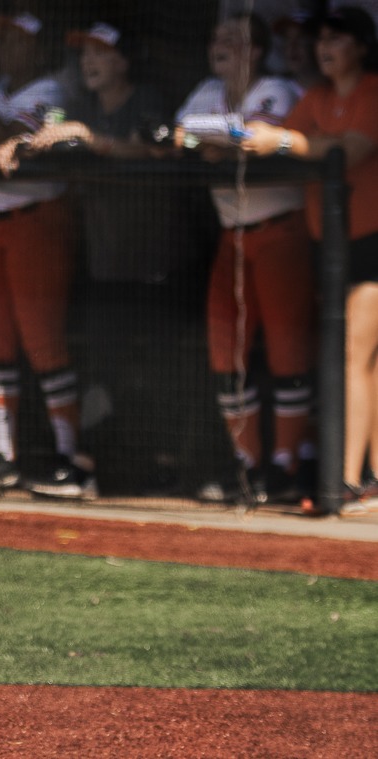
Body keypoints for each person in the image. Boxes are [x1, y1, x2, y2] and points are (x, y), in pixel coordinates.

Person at [0, 21, 204, 496]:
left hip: (160, 264)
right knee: (101, 368)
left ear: (124, 61)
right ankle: (86, 468)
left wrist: (92, 139)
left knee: (156, 372)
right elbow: (53, 132)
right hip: (106, 263)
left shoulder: (146, 100)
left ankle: (167, 469)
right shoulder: (80, 107)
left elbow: (157, 147)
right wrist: (21, 144)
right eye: (85, 52)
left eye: (101, 52)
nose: (89, 60)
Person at [241, 6, 378, 514]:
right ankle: (369, 480)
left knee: (351, 357)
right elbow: (281, 142)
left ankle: (344, 481)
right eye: (321, 39)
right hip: (332, 246)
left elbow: (354, 149)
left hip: (371, 244)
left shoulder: (372, 91)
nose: (325, 47)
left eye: (336, 39)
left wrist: (284, 140)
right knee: (361, 362)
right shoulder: (316, 97)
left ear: (361, 46)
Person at [176, 13, 314, 505]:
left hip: (280, 230)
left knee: (287, 350)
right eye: (216, 37)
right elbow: (179, 133)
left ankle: (286, 465)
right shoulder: (206, 91)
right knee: (224, 349)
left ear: (256, 50)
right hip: (231, 236)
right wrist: (217, 138)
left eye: (232, 40)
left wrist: (214, 139)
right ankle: (248, 464)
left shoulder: (276, 86)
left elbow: (258, 135)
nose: (220, 46)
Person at [0, 11, 93, 500]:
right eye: (5, 38)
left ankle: (71, 457)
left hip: (37, 220)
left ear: (39, 48)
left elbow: (4, 145)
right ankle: (4, 455)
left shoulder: (52, 92)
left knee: (42, 341)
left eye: (19, 40)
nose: (8, 47)